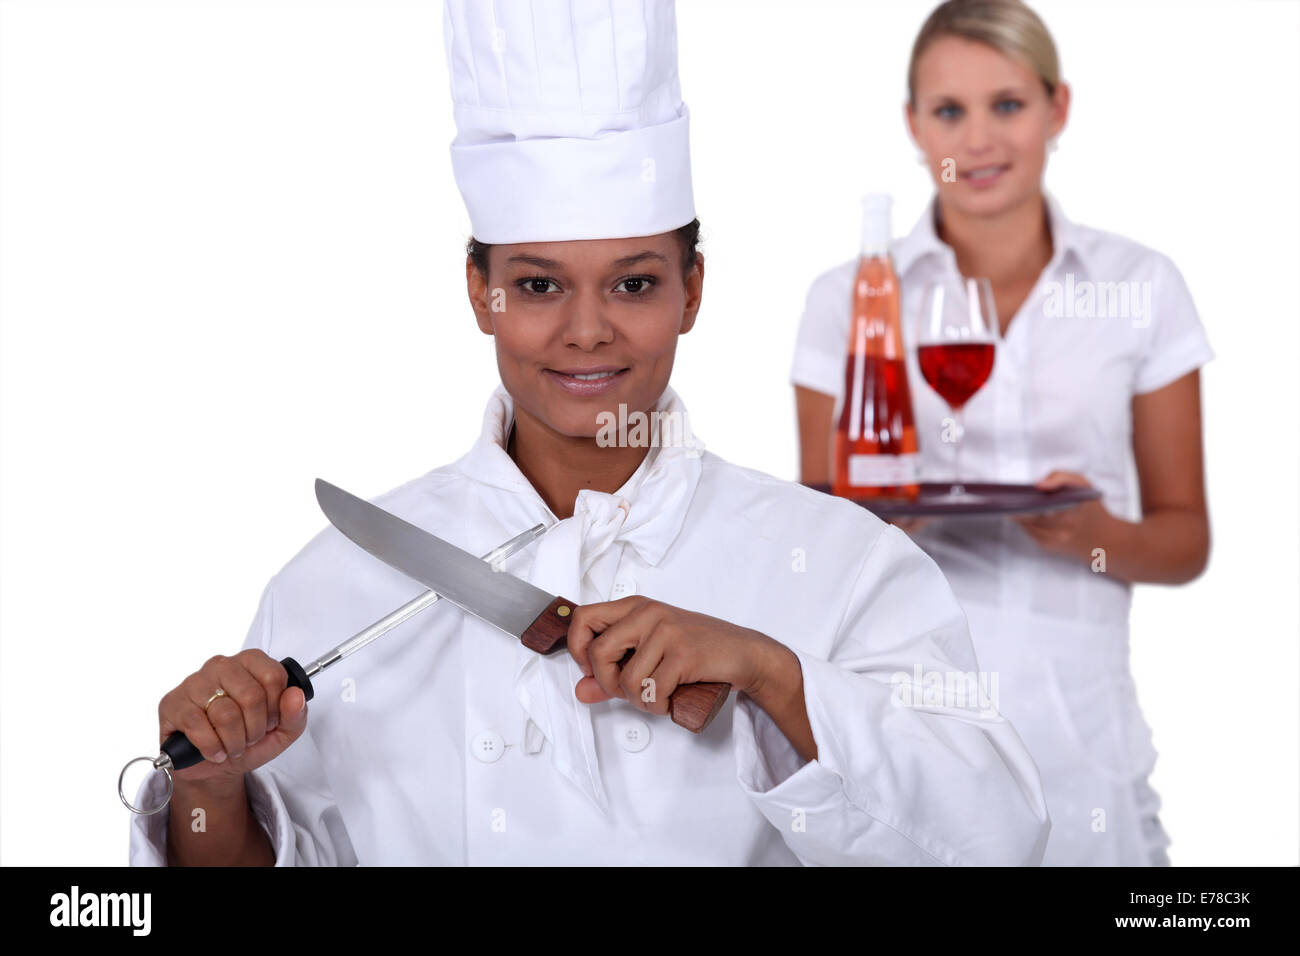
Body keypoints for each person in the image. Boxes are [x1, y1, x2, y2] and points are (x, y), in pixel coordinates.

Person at [130, 0, 1050, 866]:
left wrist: (774, 677)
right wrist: (211, 790)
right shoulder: (333, 583)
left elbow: (999, 844)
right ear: (477, 291)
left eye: (634, 282)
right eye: (537, 285)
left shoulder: (842, 563)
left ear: (693, 290)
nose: (586, 330)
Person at [791, 0, 1211, 866]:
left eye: (1008, 105)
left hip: (1080, 731)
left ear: (1059, 110)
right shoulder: (846, 299)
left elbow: (1185, 540)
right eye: (950, 111)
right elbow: (812, 542)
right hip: (900, 725)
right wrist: (876, 520)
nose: (977, 139)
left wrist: (1096, 538)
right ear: (914, 125)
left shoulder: (1141, 285)